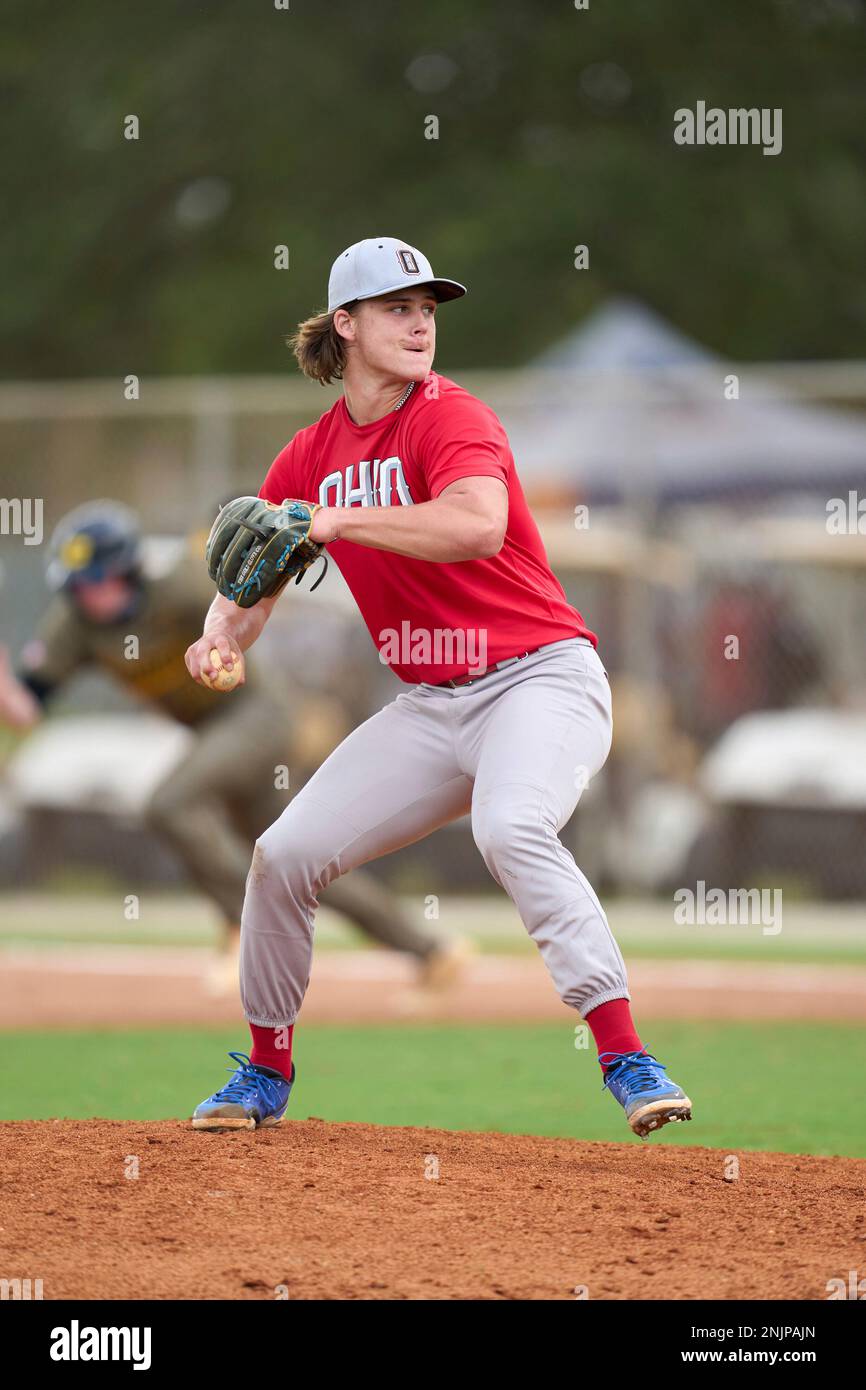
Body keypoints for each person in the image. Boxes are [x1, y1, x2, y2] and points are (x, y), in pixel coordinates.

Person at [186, 236, 693, 1138]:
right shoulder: (307, 458)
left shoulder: (450, 416)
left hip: (541, 679)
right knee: (283, 856)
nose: (421, 323)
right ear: (346, 325)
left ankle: (625, 1055)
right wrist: (219, 634)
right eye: (397, 308)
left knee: (510, 824)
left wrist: (334, 517)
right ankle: (264, 1072)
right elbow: (250, 578)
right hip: (431, 703)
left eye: (427, 308)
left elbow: (476, 525)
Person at [0, 499, 465, 993]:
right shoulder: (77, 626)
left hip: (257, 716)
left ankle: (246, 929)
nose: (90, 595)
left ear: (129, 569)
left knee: (169, 803)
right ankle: (431, 951)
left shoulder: (174, 587)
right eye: (79, 585)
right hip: (215, 735)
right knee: (296, 858)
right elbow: (28, 711)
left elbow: (249, 604)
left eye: (100, 580)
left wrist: (226, 641)